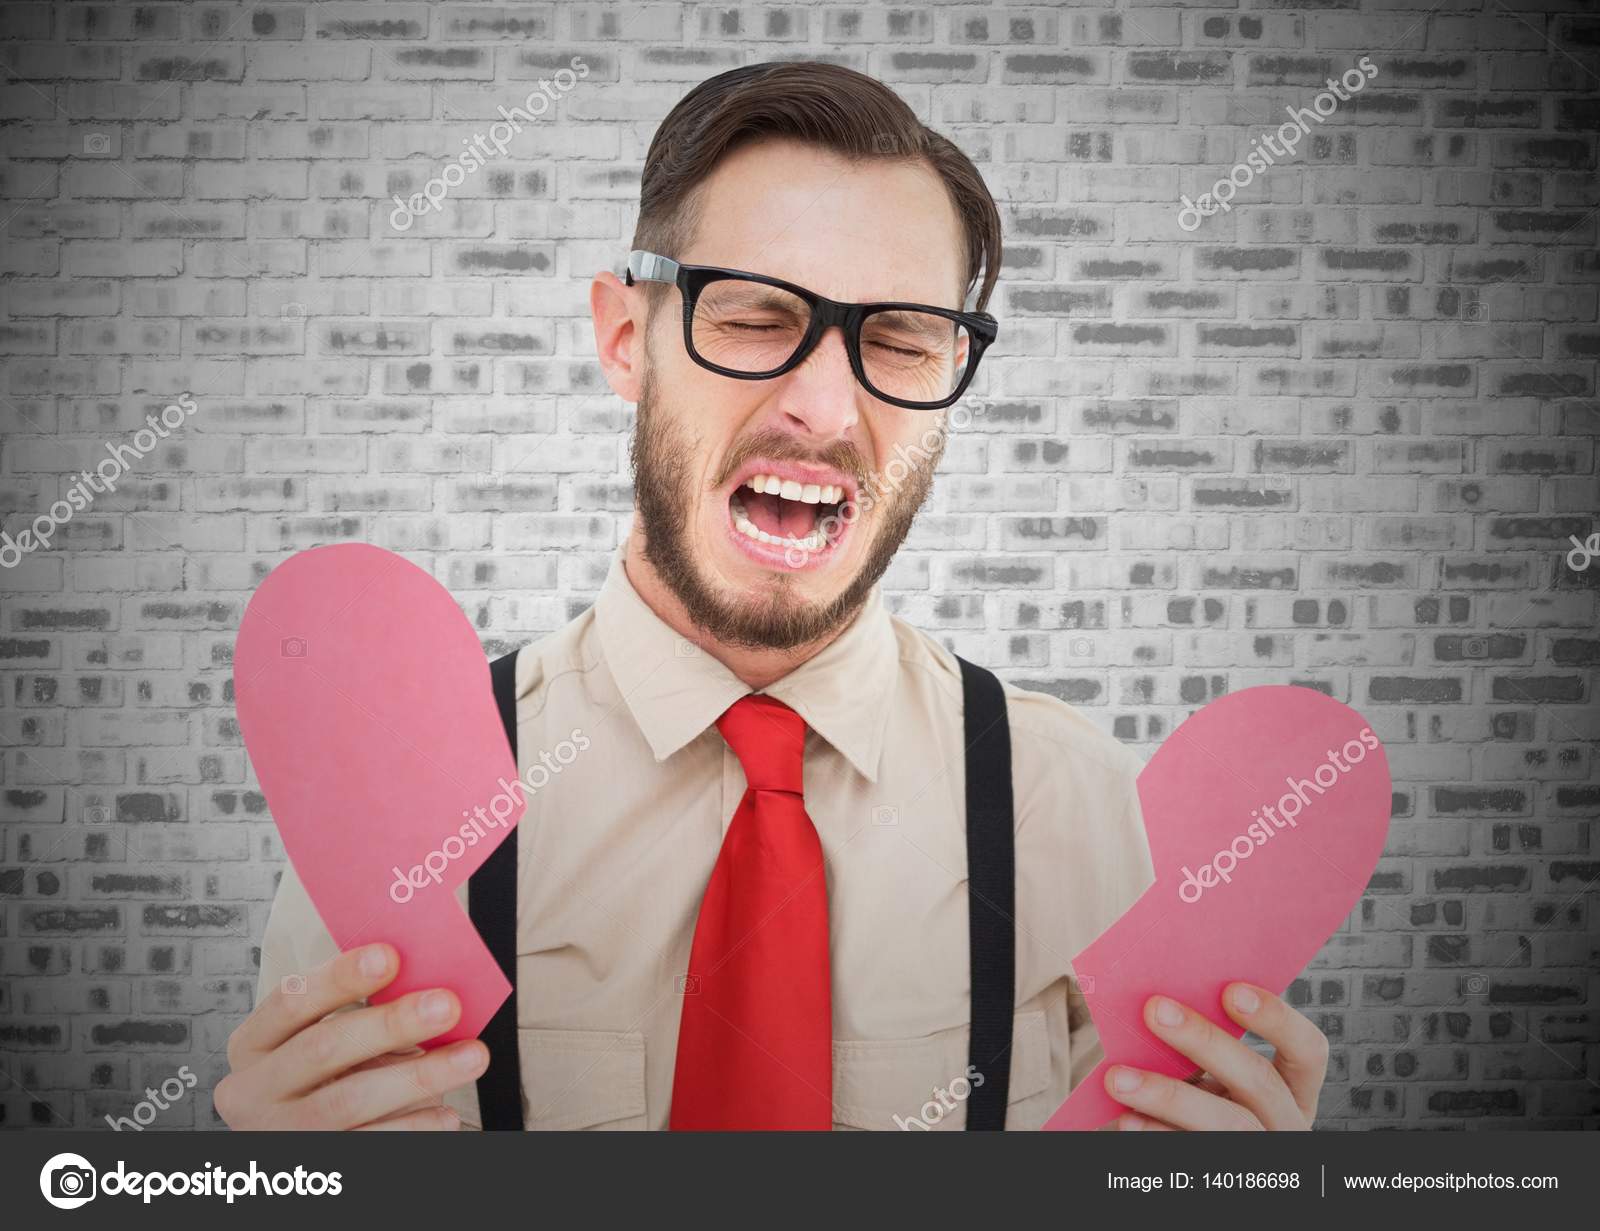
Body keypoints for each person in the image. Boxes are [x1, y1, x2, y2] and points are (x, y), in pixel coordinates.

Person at [218, 61, 1328, 1132]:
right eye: (752, 316)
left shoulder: (1068, 800)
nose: (825, 408)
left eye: (898, 338)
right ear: (622, 336)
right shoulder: (400, 811)